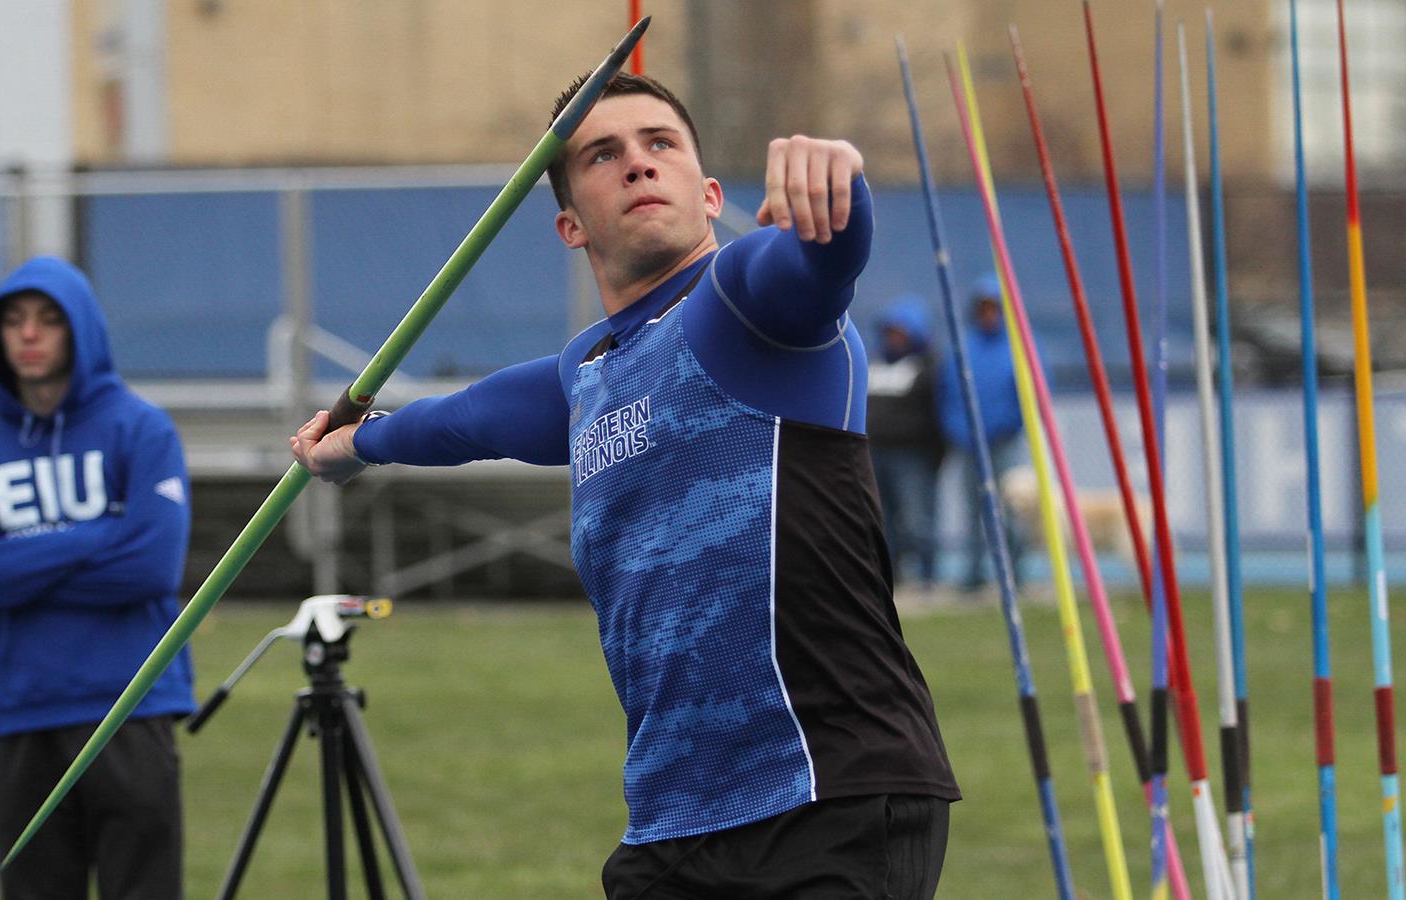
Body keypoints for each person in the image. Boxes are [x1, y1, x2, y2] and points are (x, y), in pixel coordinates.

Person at [291, 73, 959, 899]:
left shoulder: (742, 302)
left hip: (826, 794)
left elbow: (818, 264)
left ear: (710, 194)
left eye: (660, 144)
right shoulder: (590, 372)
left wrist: (836, 185)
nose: (638, 165)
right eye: (604, 155)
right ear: (570, 224)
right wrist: (360, 445)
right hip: (672, 824)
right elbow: (473, 418)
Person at [0, 256, 195, 900]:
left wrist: (17, 559)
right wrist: (98, 532)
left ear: (82, 330)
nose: (29, 334)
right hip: (23, 711)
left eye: (49, 320)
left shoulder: (142, 429)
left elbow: (150, 566)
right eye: (14, 321)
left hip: (130, 705)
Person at [937, 273, 1025, 592]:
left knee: (1009, 510)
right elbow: (947, 393)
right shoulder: (962, 346)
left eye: (995, 308)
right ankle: (973, 576)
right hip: (968, 443)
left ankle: (1015, 574)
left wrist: (1008, 424)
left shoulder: (1019, 346)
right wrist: (958, 430)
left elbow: (1032, 395)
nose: (989, 315)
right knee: (971, 510)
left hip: (1004, 441)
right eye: (984, 308)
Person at [867, 295, 948, 592]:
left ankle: (928, 576)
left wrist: (937, 452)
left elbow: (939, 413)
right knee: (882, 519)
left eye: (900, 332)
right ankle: (891, 576)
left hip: (913, 455)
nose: (894, 339)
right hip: (875, 454)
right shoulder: (874, 364)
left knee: (917, 518)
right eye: (890, 332)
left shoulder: (929, 368)